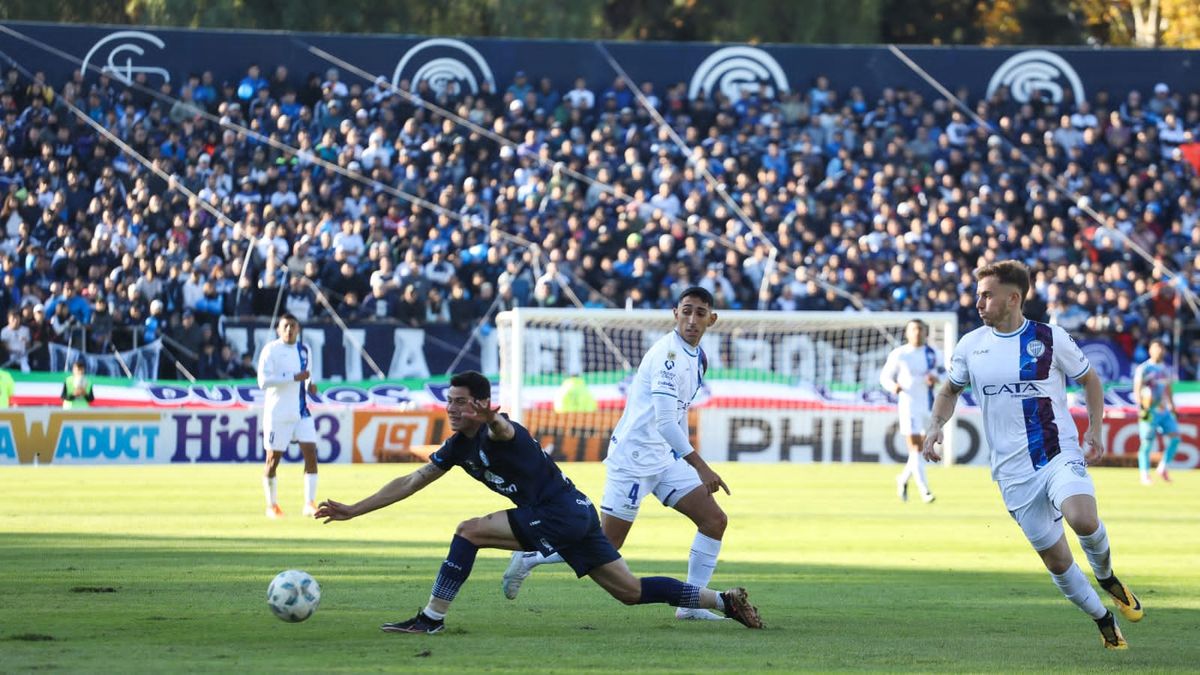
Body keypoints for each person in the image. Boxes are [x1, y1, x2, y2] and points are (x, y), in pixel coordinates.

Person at [314, 370, 762, 634]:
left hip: (557, 514)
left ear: (483, 405)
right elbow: (412, 480)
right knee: (630, 591)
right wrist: (354, 509)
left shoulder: (497, 429)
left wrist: (492, 419)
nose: (452, 409)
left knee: (468, 530)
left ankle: (432, 617)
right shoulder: (456, 445)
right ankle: (722, 600)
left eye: (461, 403)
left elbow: (502, 429)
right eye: (449, 402)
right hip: (577, 513)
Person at [923, 261, 1143, 650]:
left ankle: (1108, 577)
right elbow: (949, 391)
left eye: (987, 295)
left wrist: (1095, 428)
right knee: (1057, 562)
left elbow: (1091, 379)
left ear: (1014, 298)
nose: (979, 303)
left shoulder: (1050, 338)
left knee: (1082, 517)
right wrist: (935, 425)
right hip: (1012, 473)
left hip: (1057, 453)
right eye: (978, 295)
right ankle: (1103, 619)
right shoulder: (971, 346)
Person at [502, 287, 732, 622]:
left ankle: (691, 605)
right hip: (633, 459)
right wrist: (700, 467)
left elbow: (678, 413)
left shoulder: (699, 358)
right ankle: (533, 556)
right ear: (675, 313)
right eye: (686, 311)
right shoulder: (667, 356)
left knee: (714, 520)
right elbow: (667, 422)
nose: (692, 320)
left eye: (700, 313)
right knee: (607, 545)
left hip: (664, 458)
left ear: (711, 319)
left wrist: (684, 461)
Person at [257, 313, 320, 519]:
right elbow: (263, 381)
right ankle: (271, 505)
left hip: (301, 411)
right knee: (273, 460)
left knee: (311, 454)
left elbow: (307, 377)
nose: (288, 330)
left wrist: (310, 386)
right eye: (285, 326)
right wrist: (292, 377)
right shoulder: (271, 350)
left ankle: (309, 503)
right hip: (278, 413)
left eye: (292, 326)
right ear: (278, 329)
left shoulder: (305, 350)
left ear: (298, 329)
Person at [879, 319, 944, 503]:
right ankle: (925, 491)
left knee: (920, 451)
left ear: (926, 332)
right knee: (916, 448)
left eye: (920, 329)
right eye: (913, 329)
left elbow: (946, 373)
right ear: (907, 333)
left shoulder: (934, 354)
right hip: (909, 405)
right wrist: (893, 386)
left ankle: (902, 480)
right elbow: (884, 377)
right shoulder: (899, 354)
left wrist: (936, 377)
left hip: (929, 406)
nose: (917, 333)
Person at [1133, 339, 1180, 484]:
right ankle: (1144, 474)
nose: (1159, 351)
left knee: (1175, 438)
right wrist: (1141, 407)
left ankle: (1163, 467)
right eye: (1156, 348)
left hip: (1163, 411)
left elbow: (1168, 389)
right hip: (1149, 410)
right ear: (1150, 350)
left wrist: (1172, 406)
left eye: (1161, 348)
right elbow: (1137, 389)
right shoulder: (1144, 368)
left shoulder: (1166, 369)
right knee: (1147, 443)